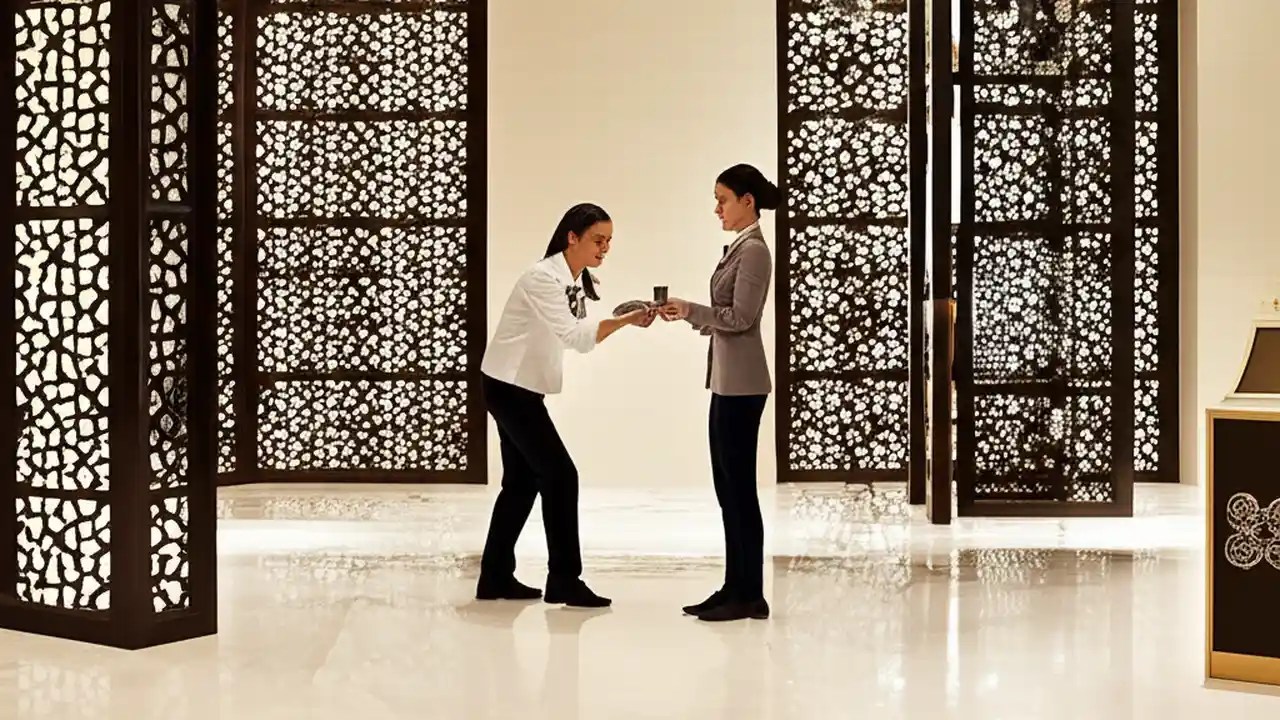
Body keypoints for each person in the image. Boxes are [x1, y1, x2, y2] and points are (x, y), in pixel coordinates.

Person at [477, 203, 655, 608]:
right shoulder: (542, 278)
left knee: (521, 483)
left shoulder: (572, 278)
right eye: (597, 239)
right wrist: (627, 320)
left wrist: (622, 318)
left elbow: (577, 333)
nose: (604, 248)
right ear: (571, 237)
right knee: (560, 476)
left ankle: (495, 576)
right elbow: (575, 337)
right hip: (510, 386)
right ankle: (564, 579)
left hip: (517, 384)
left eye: (608, 241)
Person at [659, 164, 778, 622]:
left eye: (722, 199)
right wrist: (691, 315)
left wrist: (692, 309)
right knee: (728, 490)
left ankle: (750, 594)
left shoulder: (754, 252)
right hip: (727, 382)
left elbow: (741, 319)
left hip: (743, 386)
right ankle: (735, 586)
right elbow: (725, 317)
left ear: (747, 201)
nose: (717, 208)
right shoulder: (740, 249)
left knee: (740, 491)